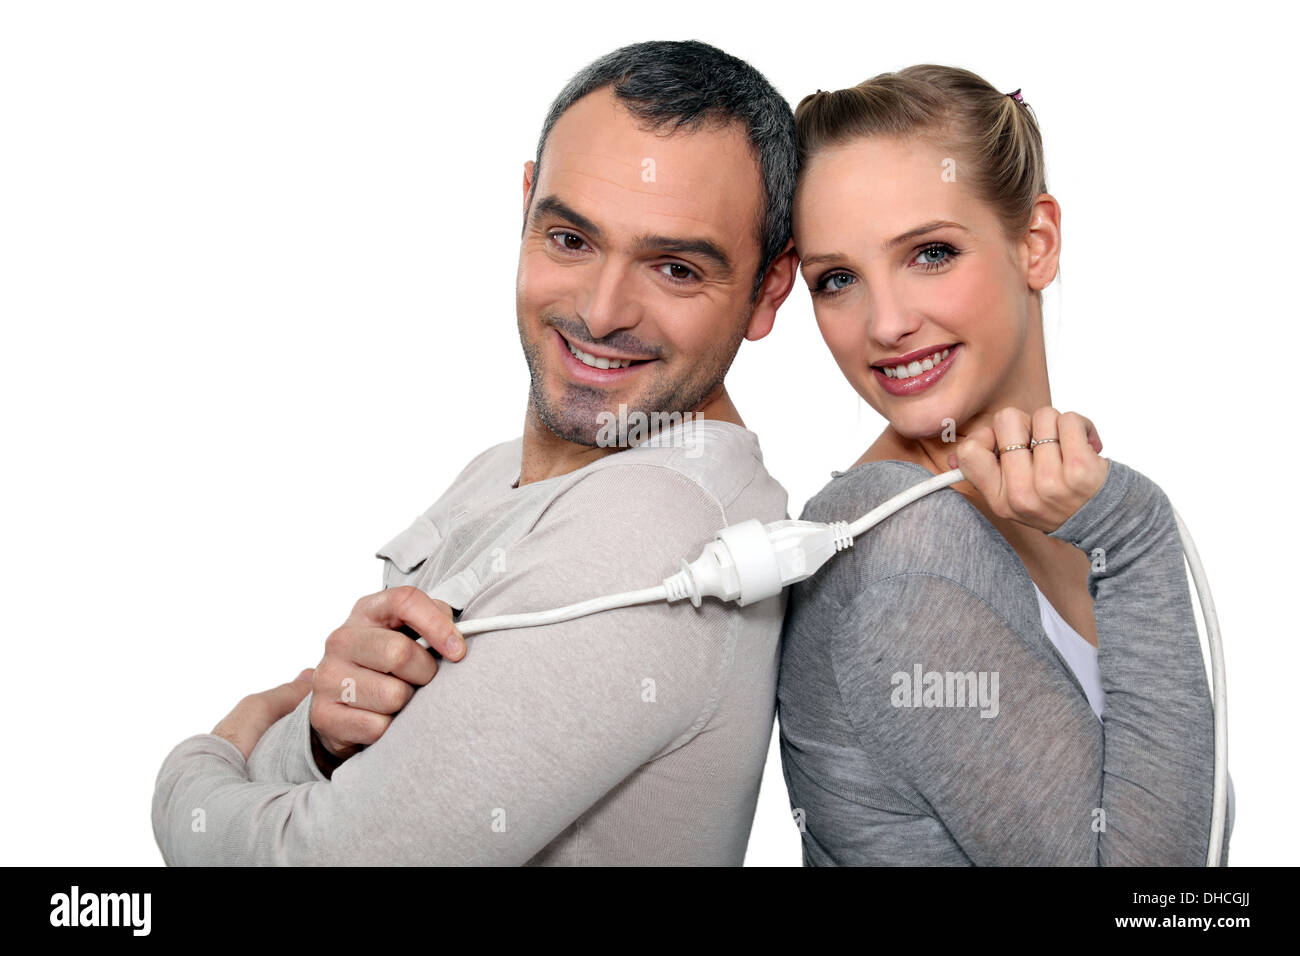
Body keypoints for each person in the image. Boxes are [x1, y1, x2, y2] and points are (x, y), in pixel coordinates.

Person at [151, 39, 801, 865]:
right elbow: (356, 776)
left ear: (769, 288)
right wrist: (315, 737)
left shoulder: (656, 532)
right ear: (526, 202)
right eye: (571, 239)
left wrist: (208, 757)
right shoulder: (506, 472)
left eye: (674, 268)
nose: (602, 313)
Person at [776, 65, 1233, 865]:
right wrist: (1138, 534)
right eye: (838, 279)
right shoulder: (898, 547)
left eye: (931, 253)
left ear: (1036, 243)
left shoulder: (1058, 505)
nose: (886, 323)